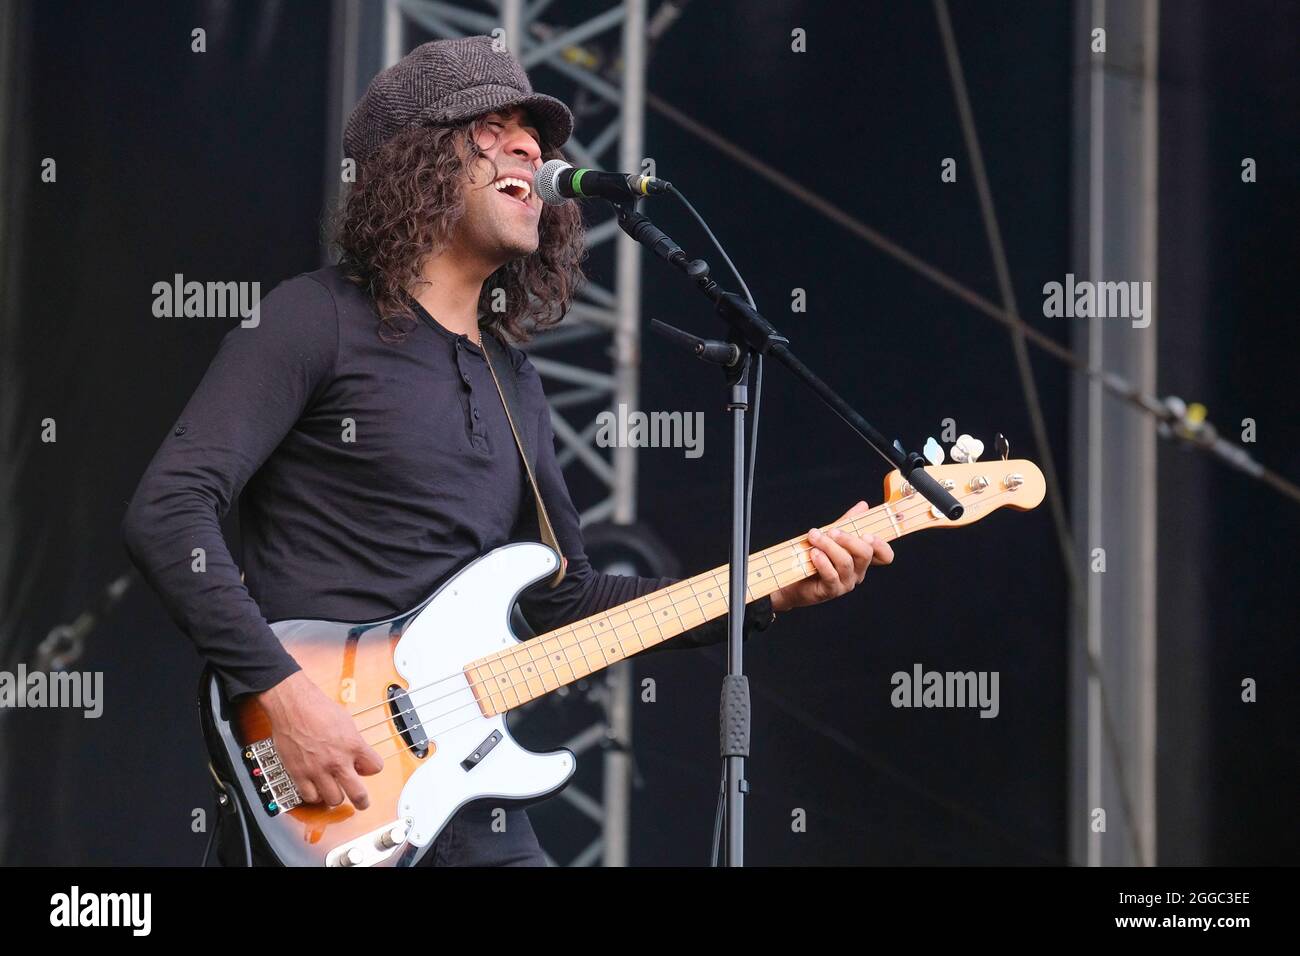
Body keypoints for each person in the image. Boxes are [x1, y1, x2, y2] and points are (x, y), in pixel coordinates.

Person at [121, 35, 893, 867]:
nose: (532, 146)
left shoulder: (514, 380)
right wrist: (280, 689)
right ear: (413, 159)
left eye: (536, 134)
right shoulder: (313, 320)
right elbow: (168, 512)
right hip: (326, 783)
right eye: (492, 129)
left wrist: (768, 588)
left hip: (464, 795)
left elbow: (571, 601)